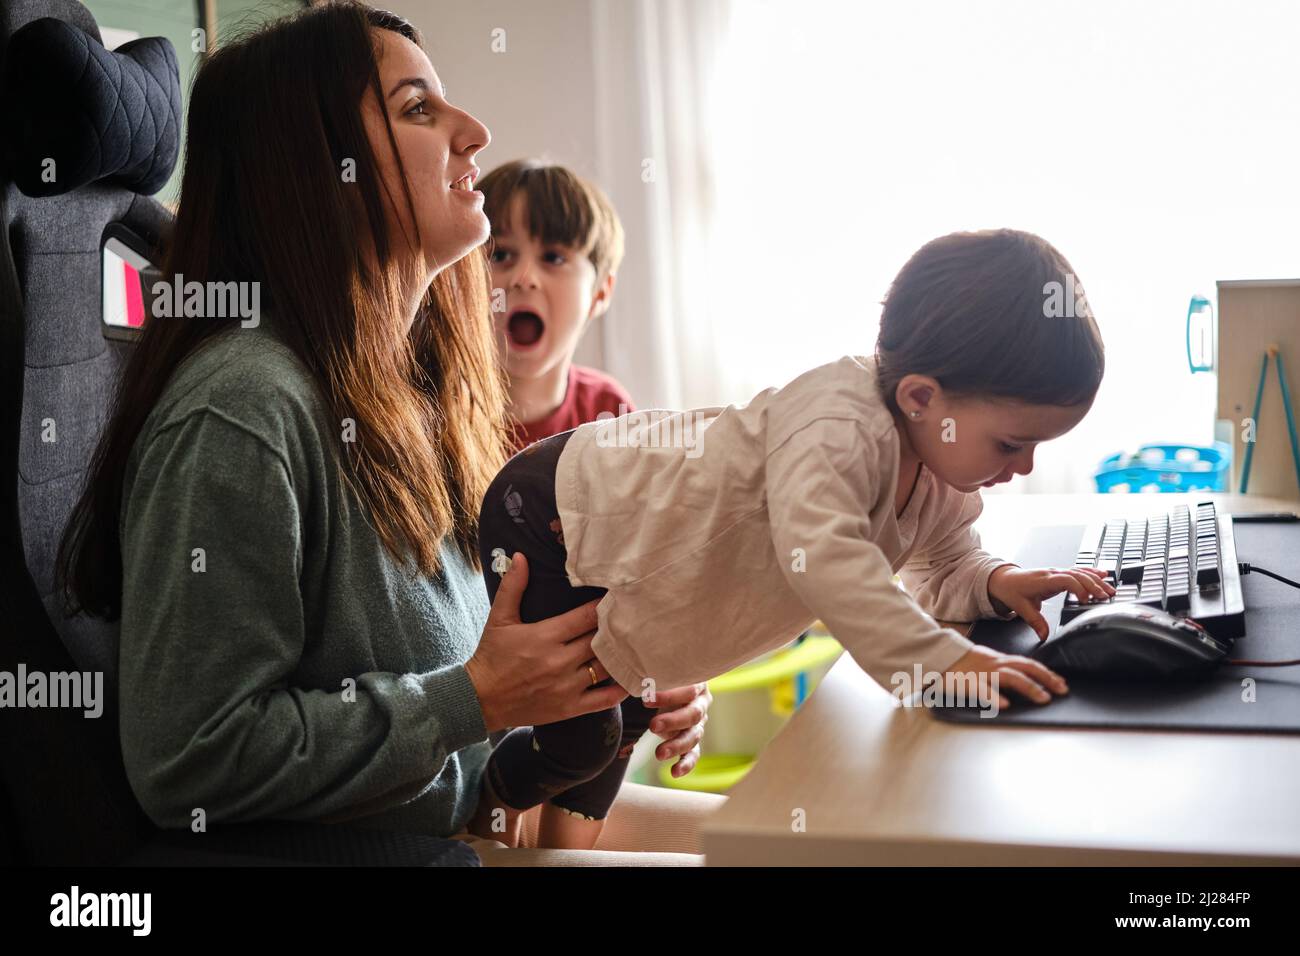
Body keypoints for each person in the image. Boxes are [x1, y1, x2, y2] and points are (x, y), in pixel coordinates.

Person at [57, 0, 716, 867]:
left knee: (810, 838)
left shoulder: (414, 395)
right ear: (314, 167)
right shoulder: (244, 410)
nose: (475, 131)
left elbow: (471, 719)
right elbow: (189, 764)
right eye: (418, 109)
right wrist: (473, 700)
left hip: (469, 816)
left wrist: (610, 677)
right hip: (409, 850)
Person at [471, 229, 1116, 850]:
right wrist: (941, 664)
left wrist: (996, 581)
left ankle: (566, 851)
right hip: (554, 510)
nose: (1024, 466)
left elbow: (943, 567)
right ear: (921, 396)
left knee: (623, 699)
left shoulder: (939, 463)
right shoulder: (837, 423)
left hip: (627, 571)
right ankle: (494, 798)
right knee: (585, 728)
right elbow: (830, 563)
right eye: (1011, 444)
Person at [478, 159, 635, 452]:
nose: (524, 278)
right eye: (500, 256)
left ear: (600, 292)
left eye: (553, 258)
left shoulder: (608, 411)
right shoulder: (430, 411)